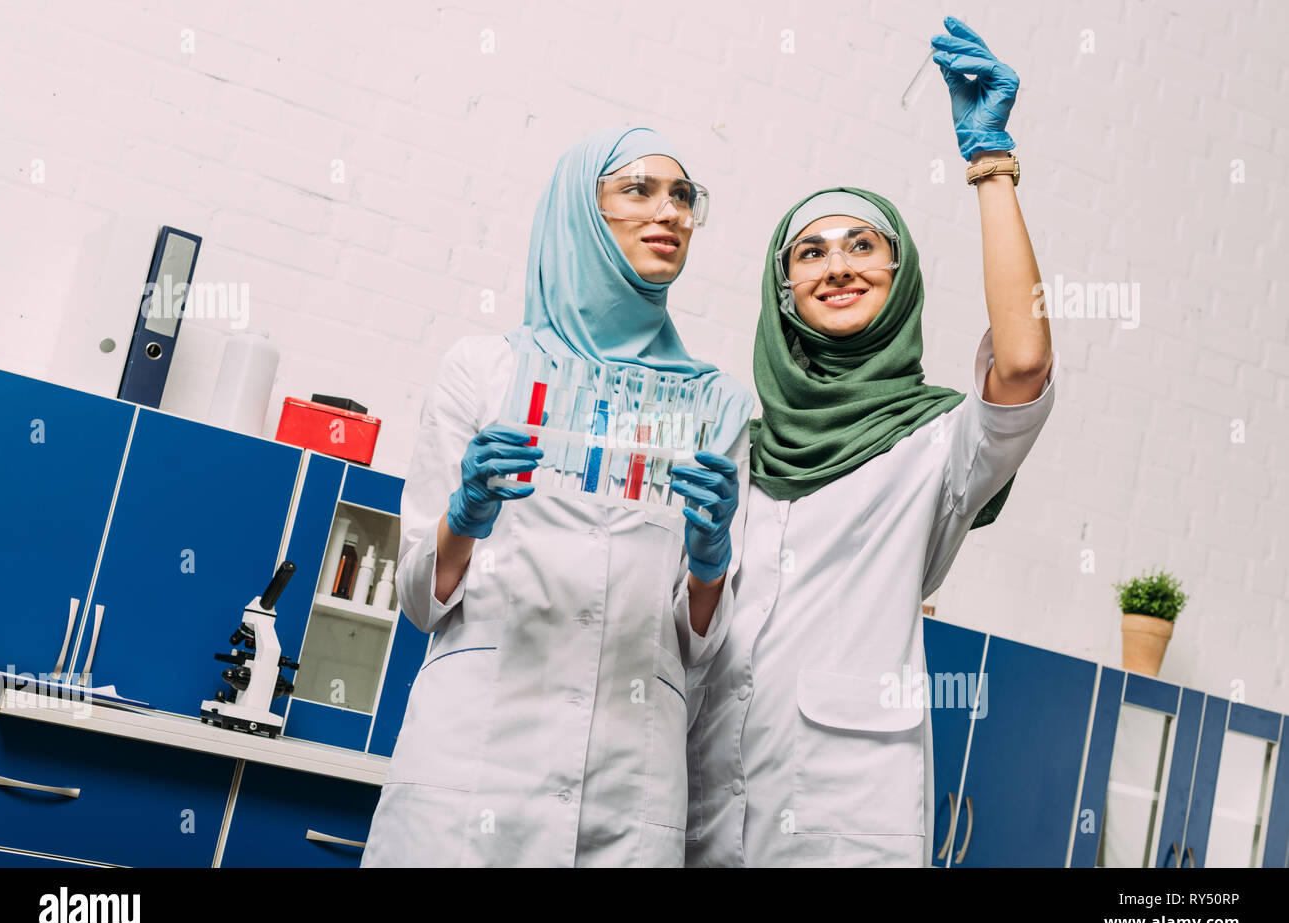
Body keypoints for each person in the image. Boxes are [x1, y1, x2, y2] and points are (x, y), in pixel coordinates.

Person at [684, 17, 1058, 867]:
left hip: (846, 830)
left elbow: (1026, 361)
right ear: (785, 294)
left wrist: (990, 164)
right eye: (809, 254)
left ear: (900, 278)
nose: (837, 266)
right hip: (704, 810)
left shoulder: (934, 442)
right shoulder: (735, 447)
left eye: (864, 246)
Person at [362, 125, 754, 867]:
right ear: (580, 212)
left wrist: (710, 561)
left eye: (682, 196)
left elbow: (698, 642)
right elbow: (420, 599)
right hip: (474, 765)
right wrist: (464, 516)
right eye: (637, 190)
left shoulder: (716, 406)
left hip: (626, 780)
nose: (668, 213)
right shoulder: (485, 370)